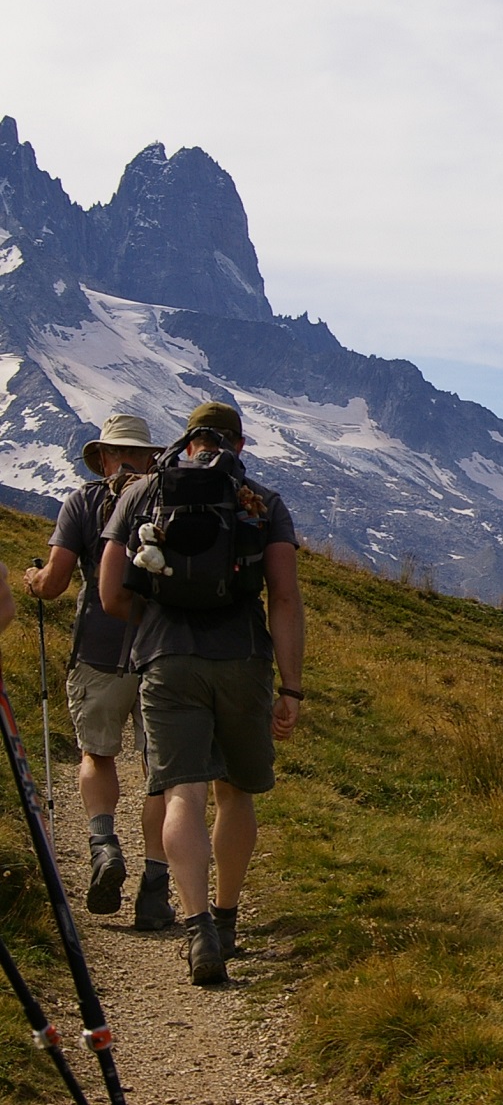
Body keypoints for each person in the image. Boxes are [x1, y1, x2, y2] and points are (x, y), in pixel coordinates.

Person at [100, 401, 304, 985]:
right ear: (238, 446)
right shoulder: (261, 502)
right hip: (242, 659)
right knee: (236, 793)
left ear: (186, 439)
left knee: (182, 793)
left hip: (167, 660)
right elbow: (285, 599)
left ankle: (197, 933)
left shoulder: (145, 493)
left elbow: (111, 593)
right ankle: (228, 916)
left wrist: (157, 627)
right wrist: (291, 687)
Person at [23, 413, 173, 928]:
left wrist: (32, 580)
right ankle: (156, 887)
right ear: (150, 456)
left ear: (105, 456)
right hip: (160, 652)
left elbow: (55, 582)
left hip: (99, 649)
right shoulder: (167, 501)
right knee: (161, 776)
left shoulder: (84, 503)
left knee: (97, 753)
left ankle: (104, 843)